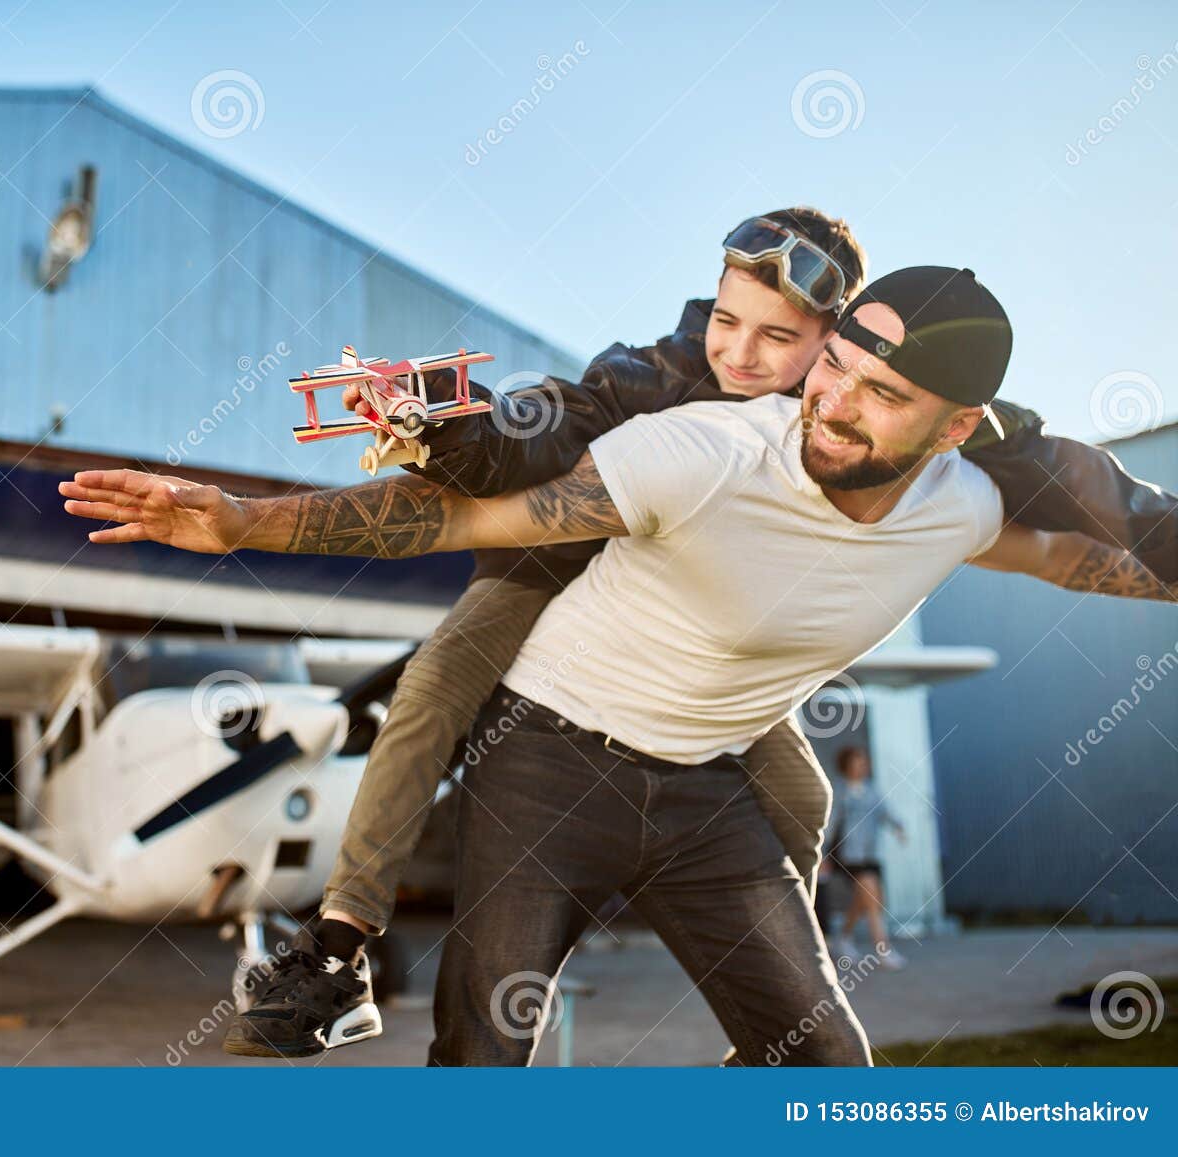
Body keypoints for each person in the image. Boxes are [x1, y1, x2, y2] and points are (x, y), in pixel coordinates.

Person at [128, 208, 1175, 1061]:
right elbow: (491, 478)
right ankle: (340, 942)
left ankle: (766, 1022)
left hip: (704, 749)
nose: (793, 380)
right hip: (552, 671)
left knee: (810, 915)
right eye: (736, 327)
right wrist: (325, 478)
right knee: (441, 706)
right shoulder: (676, 412)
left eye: (795, 348)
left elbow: (1075, 536)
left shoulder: (959, 487)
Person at [826, 747, 909, 969]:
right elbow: (831, 823)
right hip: (849, 856)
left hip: (870, 854)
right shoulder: (840, 791)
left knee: (867, 900)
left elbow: (886, 811)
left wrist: (899, 826)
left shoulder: (872, 790)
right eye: (857, 763)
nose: (862, 767)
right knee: (871, 898)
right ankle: (884, 950)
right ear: (846, 766)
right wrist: (823, 852)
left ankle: (842, 939)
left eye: (864, 763)